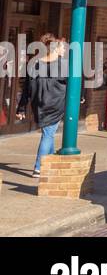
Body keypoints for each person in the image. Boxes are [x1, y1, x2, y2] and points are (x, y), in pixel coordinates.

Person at [16, 34, 68, 177]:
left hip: (39, 104)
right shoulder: (63, 65)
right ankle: (38, 167)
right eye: (63, 48)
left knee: (48, 133)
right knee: (48, 134)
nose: (65, 50)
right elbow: (73, 85)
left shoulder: (34, 64)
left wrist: (21, 107)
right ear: (55, 49)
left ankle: (49, 162)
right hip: (55, 105)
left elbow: (27, 87)